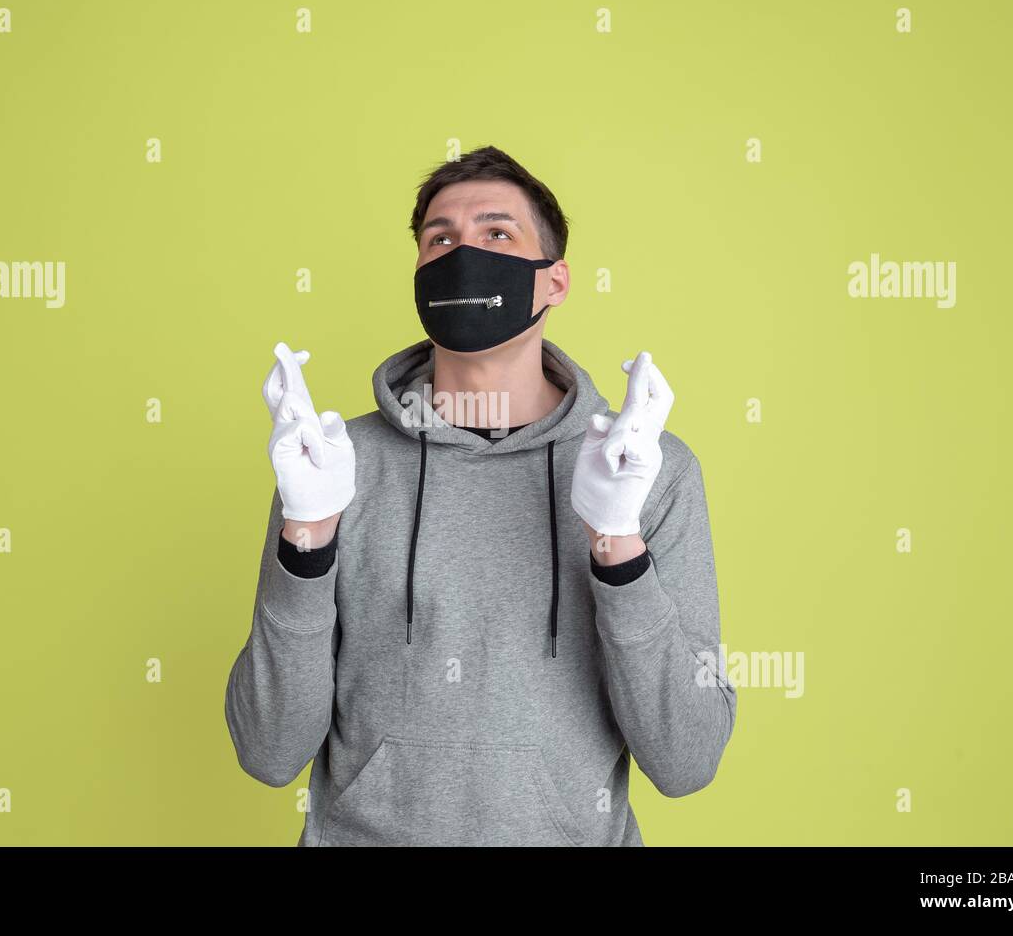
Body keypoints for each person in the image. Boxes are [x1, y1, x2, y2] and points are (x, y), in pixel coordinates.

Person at [225, 145, 737, 846]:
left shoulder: (647, 470)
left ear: (554, 281)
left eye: (497, 234)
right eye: (440, 239)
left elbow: (687, 759)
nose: (463, 254)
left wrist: (618, 544)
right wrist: (307, 534)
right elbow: (268, 751)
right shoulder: (334, 463)